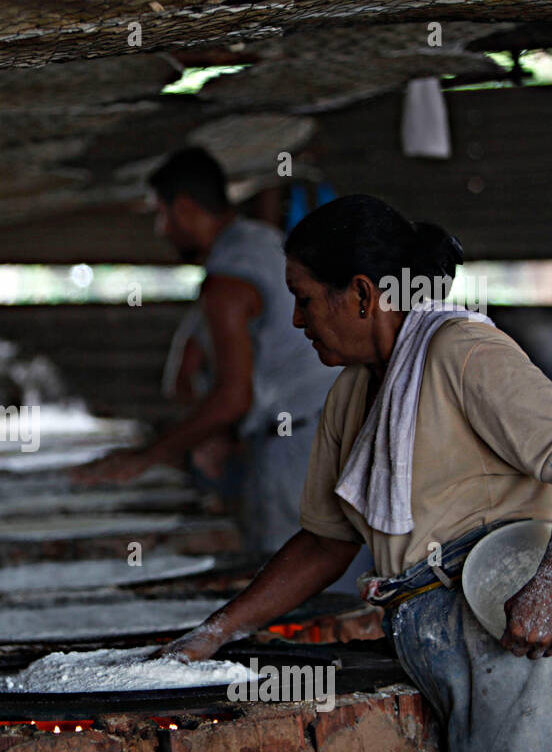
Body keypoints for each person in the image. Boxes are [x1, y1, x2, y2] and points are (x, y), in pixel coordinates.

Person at [160, 194, 552, 752]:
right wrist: (217, 630)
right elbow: (325, 543)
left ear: (359, 293)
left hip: (531, 658)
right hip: (447, 655)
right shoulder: (353, 391)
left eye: (304, 298)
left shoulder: (462, 352)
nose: (295, 321)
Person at [73, 149, 363, 587]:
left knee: (300, 596)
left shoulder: (229, 277)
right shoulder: (261, 242)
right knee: (337, 590)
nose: (160, 230)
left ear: (185, 208)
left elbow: (232, 397)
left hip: (300, 452)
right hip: (334, 435)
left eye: (161, 215)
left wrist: (149, 456)